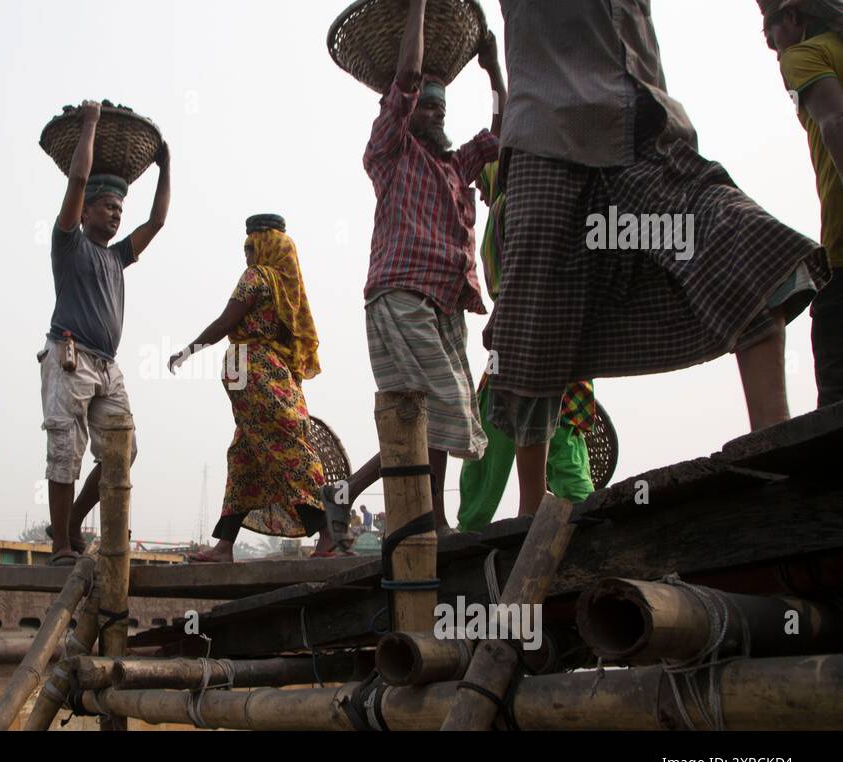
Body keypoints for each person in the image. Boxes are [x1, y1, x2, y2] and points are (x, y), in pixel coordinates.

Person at [489, 0, 828, 519]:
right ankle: (531, 509)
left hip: (644, 128)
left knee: (749, 249)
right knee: (532, 322)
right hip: (546, 132)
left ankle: (775, 448)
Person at [327, 0, 508, 544]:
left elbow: (508, 122)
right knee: (443, 405)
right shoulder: (390, 151)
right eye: (425, 107)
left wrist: (493, 67)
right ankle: (427, 516)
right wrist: (420, 9)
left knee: (426, 417)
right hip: (400, 291)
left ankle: (385, 505)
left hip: (446, 302)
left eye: (440, 107)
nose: (435, 113)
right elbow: (405, 79)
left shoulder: (456, 165)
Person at [41, 101, 171, 566]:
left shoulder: (118, 257)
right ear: (87, 210)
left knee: (124, 447)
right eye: (108, 207)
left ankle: (74, 524)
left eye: (120, 208)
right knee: (65, 448)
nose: (116, 215)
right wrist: (91, 124)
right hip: (70, 355)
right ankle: (60, 545)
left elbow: (156, 222)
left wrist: (165, 164)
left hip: (107, 365)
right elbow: (76, 180)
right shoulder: (69, 241)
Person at [170, 216, 334, 563]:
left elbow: (226, 322)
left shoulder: (257, 277)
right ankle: (225, 546)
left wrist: (188, 350)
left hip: (256, 372)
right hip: (269, 375)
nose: (246, 256)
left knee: (284, 446)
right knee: (244, 456)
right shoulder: (289, 291)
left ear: (267, 247)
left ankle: (329, 532)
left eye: (251, 248)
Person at [457, 163, 596, 533]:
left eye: (482, 182)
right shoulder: (513, 201)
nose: (481, 193)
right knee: (556, 440)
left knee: (499, 443)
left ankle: (480, 530)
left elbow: (525, 267)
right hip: (549, 337)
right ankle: (577, 519)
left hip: (528, 333)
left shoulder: (514, 204)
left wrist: (500, 316)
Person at [763, 0, 843, 407]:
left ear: (792, 18)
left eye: (770, 36)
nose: (774, 51)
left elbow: (835, 122)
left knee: (835, 397)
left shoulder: (804, 55)